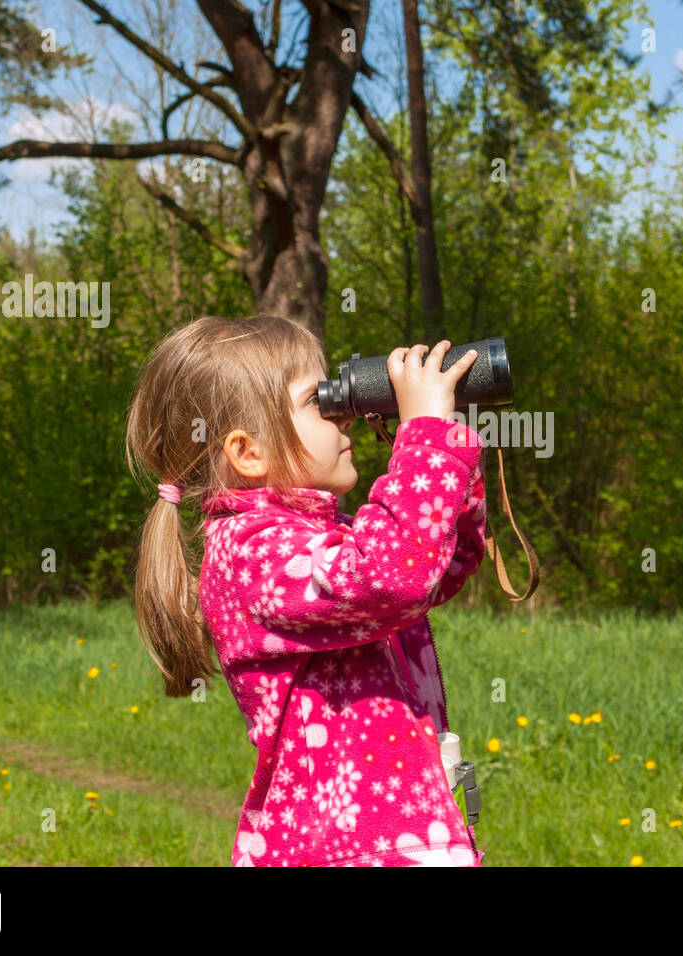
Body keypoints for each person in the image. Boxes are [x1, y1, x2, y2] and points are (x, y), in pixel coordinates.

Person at [124, 314, 488, 866]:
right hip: (347, 849)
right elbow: (392, 579)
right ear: (248, 452)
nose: (342, 414)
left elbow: (437, 570)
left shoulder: (318, 540)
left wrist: (442, 459)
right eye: (318, 401)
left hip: (389, 841)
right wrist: (425, 443)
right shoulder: (251, 554)